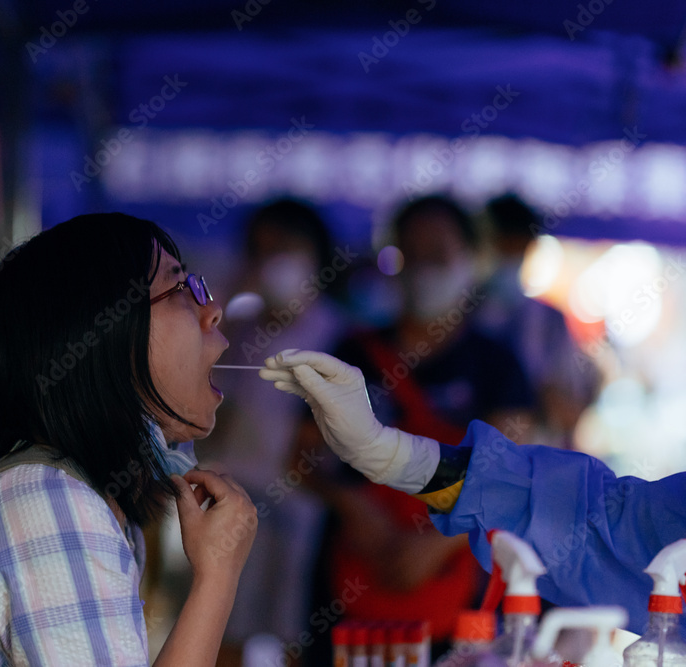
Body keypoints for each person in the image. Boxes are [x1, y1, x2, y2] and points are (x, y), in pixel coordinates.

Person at [0, 213, 258, 666]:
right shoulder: (50, 504)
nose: (213, 309)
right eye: (180, 288)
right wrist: (218, 576)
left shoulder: (84, 501)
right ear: (107, 336)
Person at [259, 349, 686, 635]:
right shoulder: (359, 347)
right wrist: (393, 455)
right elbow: (590, 527)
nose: (213, 317)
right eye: (189, 288)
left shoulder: (494, 358)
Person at [292, 196, 535, 658]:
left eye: (438, 255)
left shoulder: (497, 366)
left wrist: (438, 544)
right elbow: (301, 456)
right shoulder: (353, 352)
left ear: (472, 260)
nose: (423, 268)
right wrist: (354, 507)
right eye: (410, 254)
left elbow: (510, 476)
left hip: (454, 586)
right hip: (351, 578)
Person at [196, 199, 350, 664]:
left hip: (306, 511)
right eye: (261, 251)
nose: (271, 262)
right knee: (221, 623)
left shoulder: (340, 334)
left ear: (316, 256)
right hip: (234, 499)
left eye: (285, 248)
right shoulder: (235, 329)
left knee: (295, 633)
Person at [474, 193, 600, 446]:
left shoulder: (549, 322)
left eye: (517, 245)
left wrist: (545, 394)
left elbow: (569, 412)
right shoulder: (455, 313)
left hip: (524, 460)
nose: (509, 253)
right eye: (502, 244)